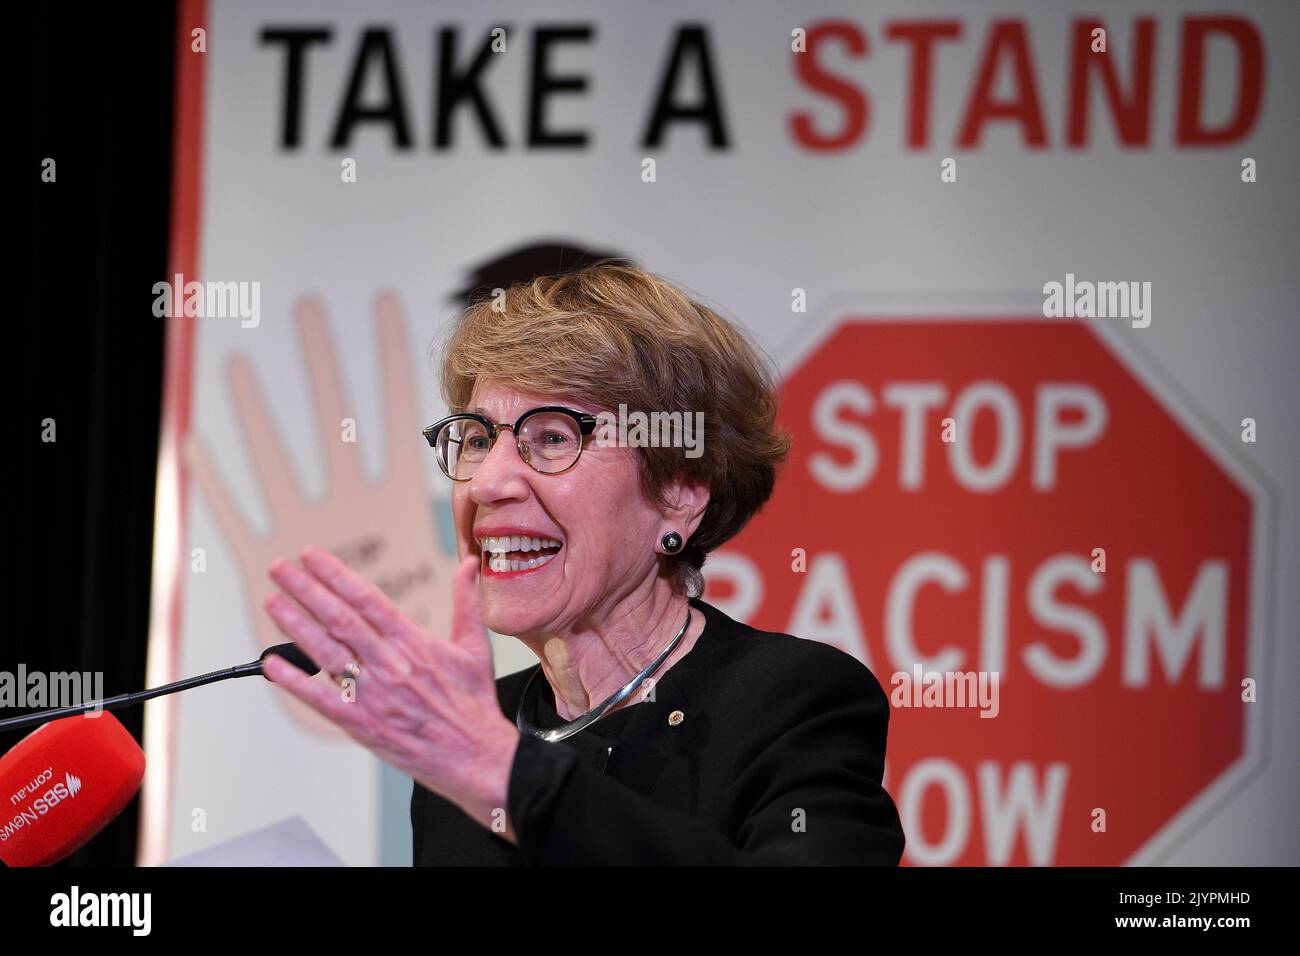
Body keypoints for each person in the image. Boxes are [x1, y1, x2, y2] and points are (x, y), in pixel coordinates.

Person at [262, 261, 905, 865]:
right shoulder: (480, 728)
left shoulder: (791, 703)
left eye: (552, 437)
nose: (488, 483)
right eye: (479, 439)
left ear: (678, 492)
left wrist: (503, 776)